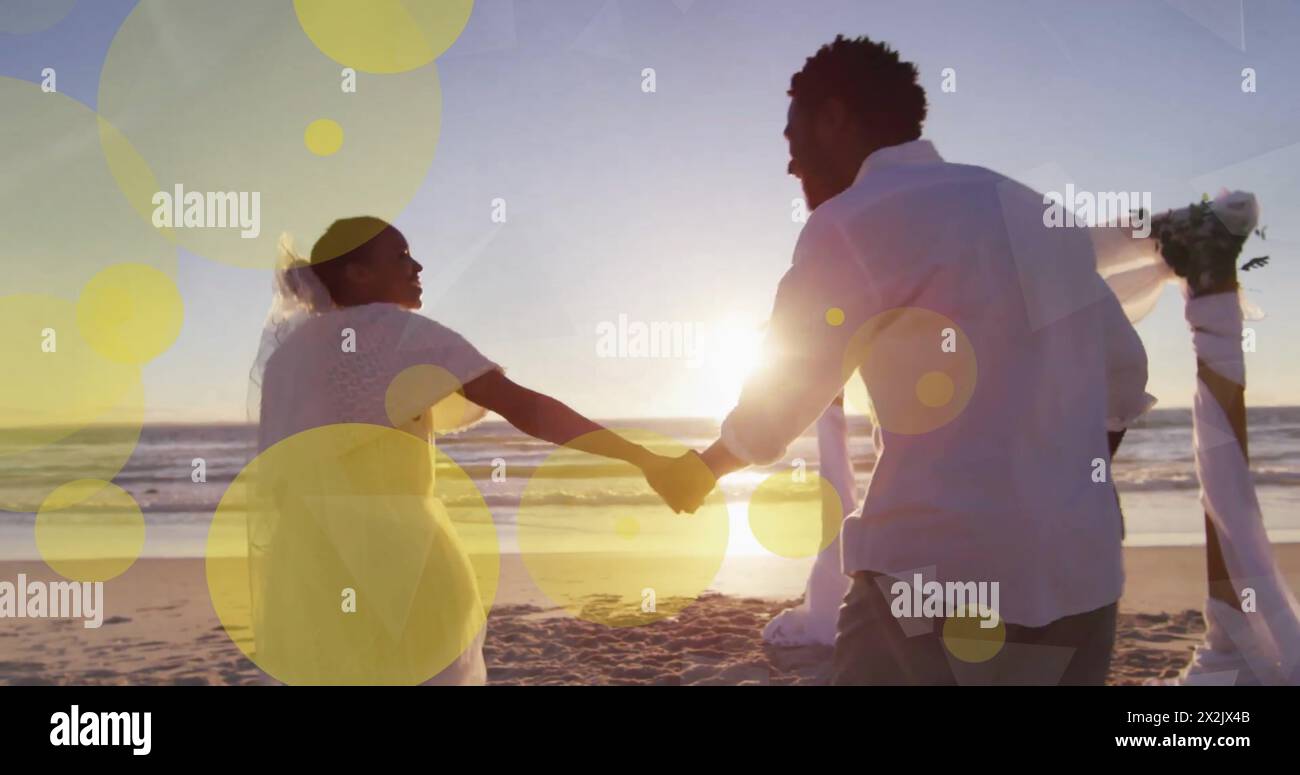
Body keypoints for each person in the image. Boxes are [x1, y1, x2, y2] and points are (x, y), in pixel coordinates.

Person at [654, 36, 1151, 685]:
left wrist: (702, 467)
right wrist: (1045, 488)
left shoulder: (850, 222)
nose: (790, 165)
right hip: (1084, 578)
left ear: (834, 116)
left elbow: (780, 400)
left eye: (791, 136)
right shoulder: (1033, 209)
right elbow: (1124, 379)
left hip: (931, 583)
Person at [249, 216, 680, 685]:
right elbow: (525, 407)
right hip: (398, 562)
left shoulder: (287, 357)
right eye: (400, 256)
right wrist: (642, 457)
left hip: (302, 572)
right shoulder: (399, 332)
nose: (417, 265)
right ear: (357, 272)